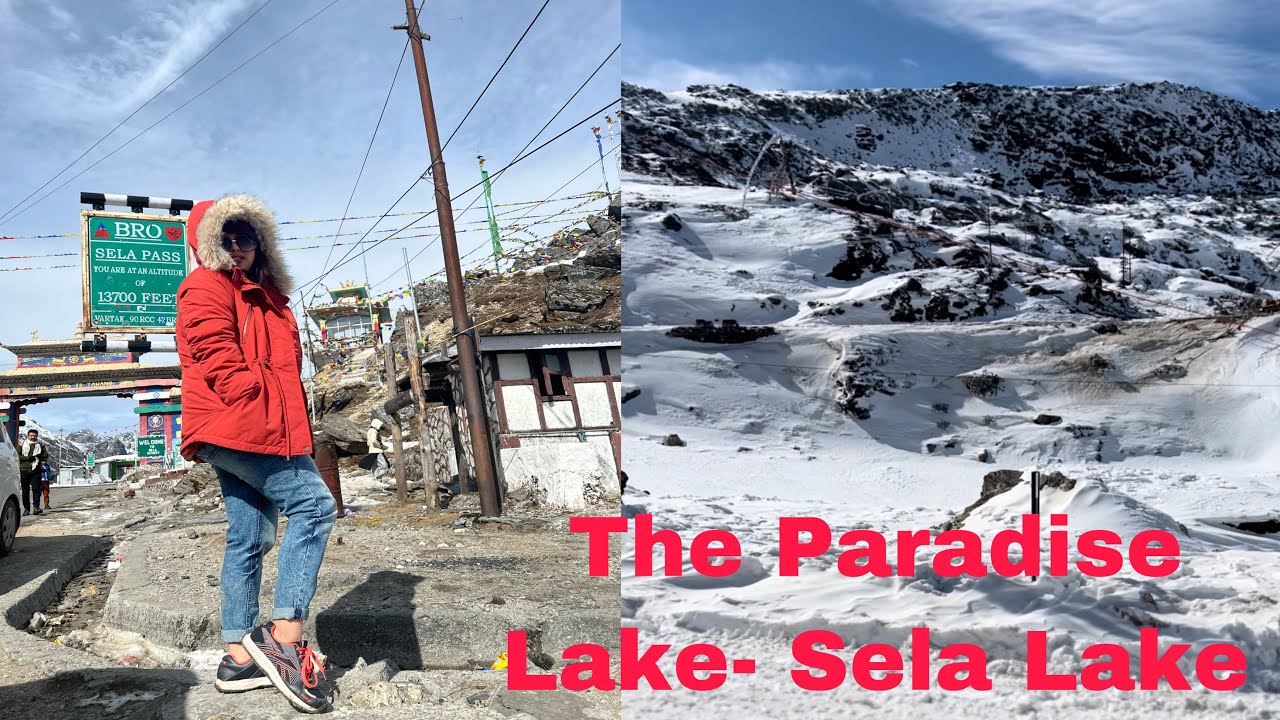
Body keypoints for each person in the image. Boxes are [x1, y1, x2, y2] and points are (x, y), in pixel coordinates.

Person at [176, 194, 336, 713]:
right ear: (208, 243)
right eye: (226, 237)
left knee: (250, 536)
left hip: (253, 426)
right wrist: (248, 394)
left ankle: (238, 655)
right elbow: (210, 347)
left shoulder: (267, 297)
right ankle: (285, 637)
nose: (237, 246)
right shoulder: (206, 284)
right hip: (241, 423)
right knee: (315, 506)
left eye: (246, 237)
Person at [17, 430, 47, 516]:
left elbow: (45, 455)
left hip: (36, 470)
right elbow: (17, 455)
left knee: (36, 490)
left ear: (37, 436)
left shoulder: (41, 445)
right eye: (31, 435)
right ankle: (26, 509)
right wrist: (28, 458)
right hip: (24, 470)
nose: (33, 437)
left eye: (35, 436)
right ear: (28, 435)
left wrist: (39, 456)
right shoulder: (21, 445)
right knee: (25, 491)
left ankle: (36, 508)